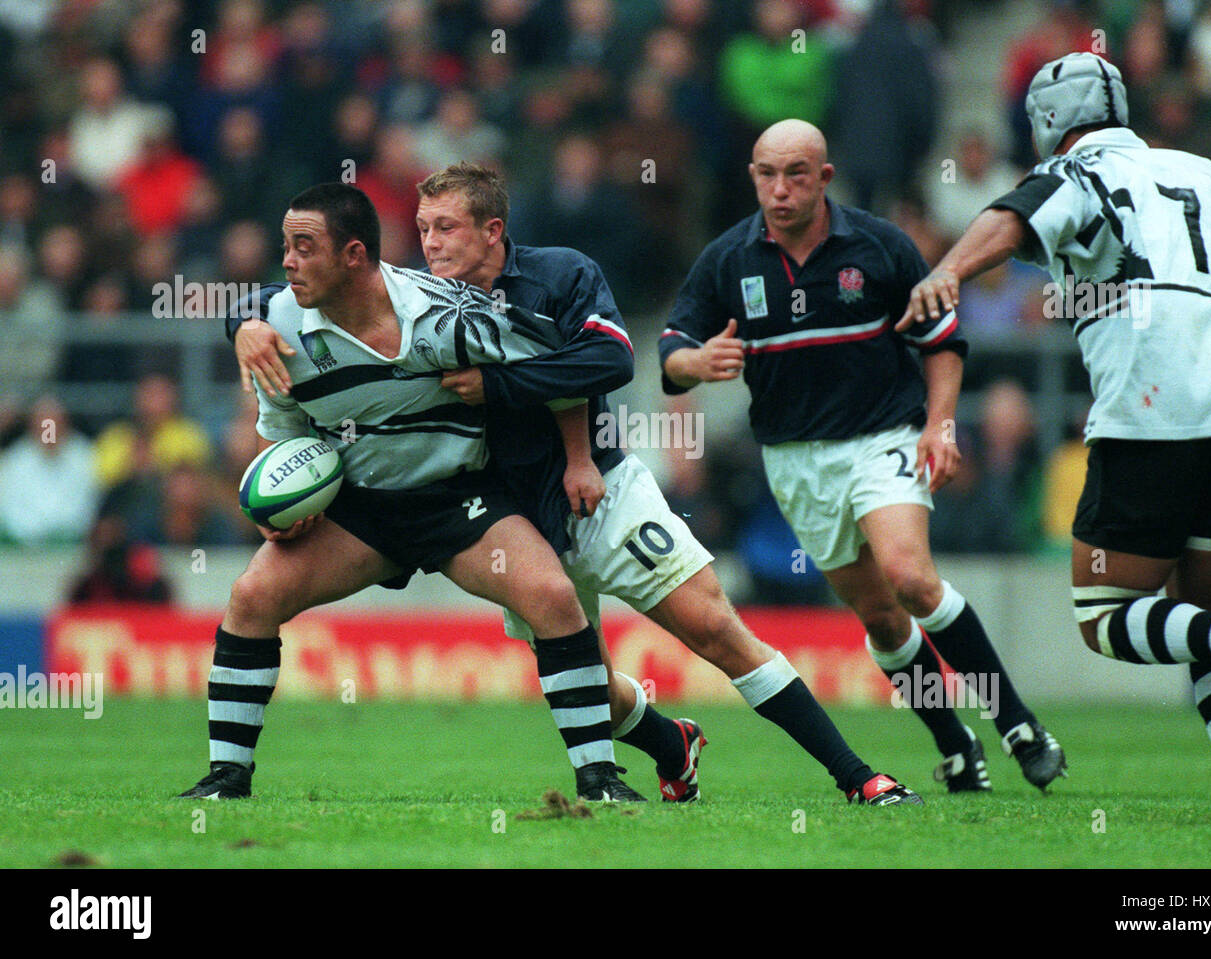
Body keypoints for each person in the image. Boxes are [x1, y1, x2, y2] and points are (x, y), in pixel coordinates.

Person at [234, 164, 924, 808]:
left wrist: (569, 450)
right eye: (423, 229)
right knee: (584, 677)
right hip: (511, 513)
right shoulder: (425, 301)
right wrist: (248, 327)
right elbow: (289, 301)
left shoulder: (560, 274)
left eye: (446, 228)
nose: (431, 243)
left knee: (715, 627)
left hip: (598, 489)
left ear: (493, 230)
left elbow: (607, 359)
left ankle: (859, 776)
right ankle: (670, 742)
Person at [901, 52, 1211, 824]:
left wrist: (947, 270)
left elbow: (1014, 217)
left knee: (1103, 614)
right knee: (1207, 603)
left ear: (1050, 122)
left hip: (1154, 398)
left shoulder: (1081, 173)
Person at [179, 182, 639, 804]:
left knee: (554, 597)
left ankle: (601, 782)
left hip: (460, 502)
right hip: (361, 510)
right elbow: (285, 430)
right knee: (252, 596)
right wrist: (280, 509)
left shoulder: (447, 313)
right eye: (285, 245)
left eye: (303, 246)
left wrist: (579, 456)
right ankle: (225, 781)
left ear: (354, 256)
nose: (286, 262)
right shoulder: (278, 326)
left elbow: (560, 367)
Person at [660, 118, 1066, 795]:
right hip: (795, 461)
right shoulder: (729, 259)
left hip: (885, 437)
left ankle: (1018, 722)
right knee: (880, 617)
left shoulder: (879, 246)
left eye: (796, 174)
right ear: (752, 176)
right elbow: (671, 352)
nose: (780, 188)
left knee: (911, 577)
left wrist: (939, 426)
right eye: (766, 173)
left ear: (824, 178)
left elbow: (940, 340)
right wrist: (696, 361)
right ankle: (955, 742)